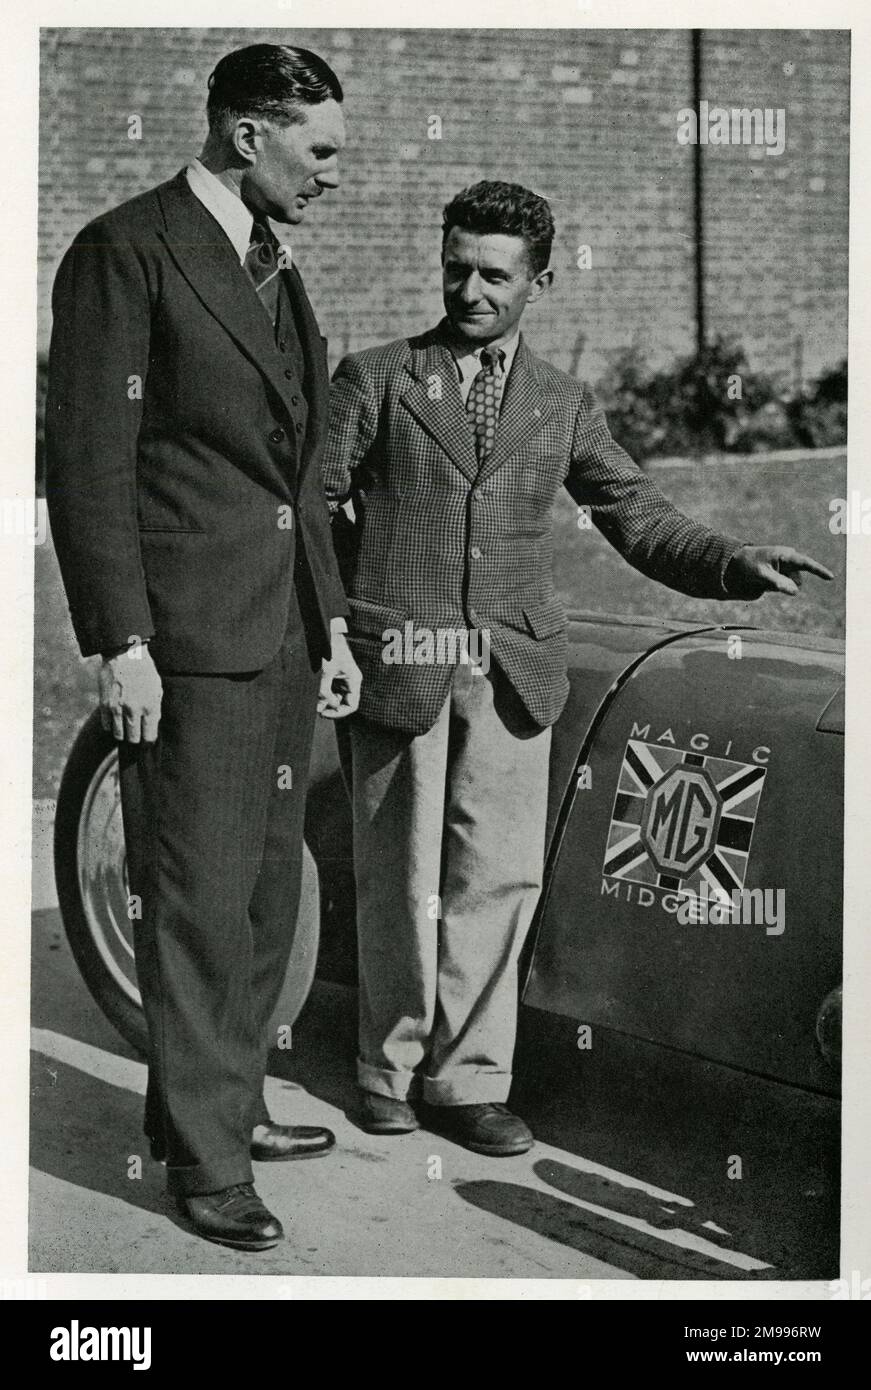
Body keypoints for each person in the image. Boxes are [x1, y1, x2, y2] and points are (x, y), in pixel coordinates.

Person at [322, 179, 833, 1157]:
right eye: (456, 268)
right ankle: (387, 1066)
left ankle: (468, 1080)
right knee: (402, 880)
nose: (471, 290)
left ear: (540, 280)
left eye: (495, 275)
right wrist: (338, 628)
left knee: (495, 881)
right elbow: (311, 507)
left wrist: (730, 561)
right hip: (403, 664)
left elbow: (633, 513)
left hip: (512, 672)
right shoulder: (378, 378)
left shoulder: (560, 402)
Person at [45, 44, 361, 1251]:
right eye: (319, 149)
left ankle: (220, 1107)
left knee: (265, 895)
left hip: (278, 634)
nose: (333, 174)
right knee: (194, 899)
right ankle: (202, 1160)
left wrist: (327, 621)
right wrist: (121, 641)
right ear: (248, 134)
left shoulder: (275, 265)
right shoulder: (128, 250)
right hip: (182, 642)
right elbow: (88, 468)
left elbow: (298, 475)